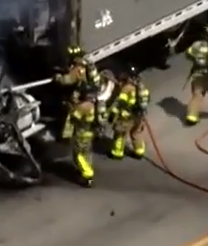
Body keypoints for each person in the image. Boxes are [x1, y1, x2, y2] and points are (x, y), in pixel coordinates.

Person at [55, 45, 104, 185]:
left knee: (78, 154)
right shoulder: (88, 67)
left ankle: (87, 174)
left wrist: (57, 77)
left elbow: (66, 81)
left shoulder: (77, 69)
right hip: (90, 131)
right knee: (87, 152)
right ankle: (88, 169)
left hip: (81, 131)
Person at [108, 64, 150, 159]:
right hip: (139, 115)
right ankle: (139, 151)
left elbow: (120, 103)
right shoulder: (141, 86)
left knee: (120, 134)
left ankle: (117, 153)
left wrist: (112, 114)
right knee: (135, 133)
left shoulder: (127, 88)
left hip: (127, 115)